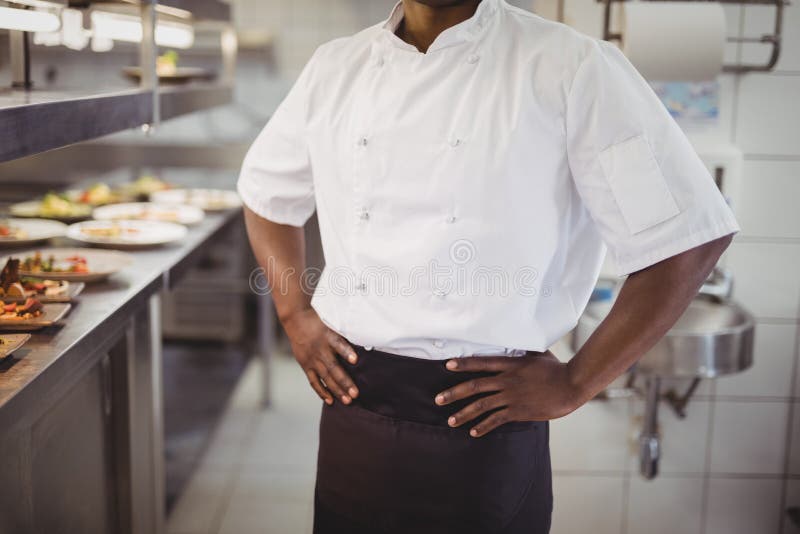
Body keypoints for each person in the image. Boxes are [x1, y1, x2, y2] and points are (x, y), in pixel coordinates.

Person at [237, 0, 740, 532]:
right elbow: (267, 194)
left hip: (485, 421)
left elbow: (686, 239)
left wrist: (575, 383)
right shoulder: (335, 67)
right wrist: (294, 314)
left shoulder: (570, 66)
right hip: (352, 407)